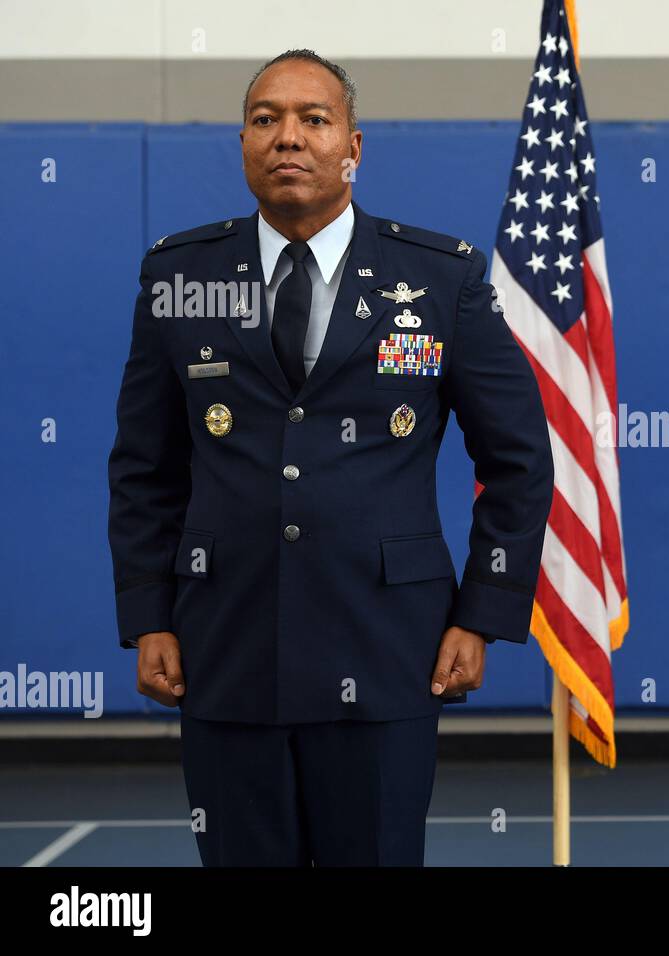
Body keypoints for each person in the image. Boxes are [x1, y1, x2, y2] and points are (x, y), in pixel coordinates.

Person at [107, 49, 554, 866]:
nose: (289, 138)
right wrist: (148, 616)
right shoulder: (179, 276)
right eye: (267, 119)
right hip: (225, 646)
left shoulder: (438, 278)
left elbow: (519, 457)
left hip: (389, 647)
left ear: (354, 146)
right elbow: (145, 467)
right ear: (242, 142)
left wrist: (483, 613)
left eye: (314, 119)